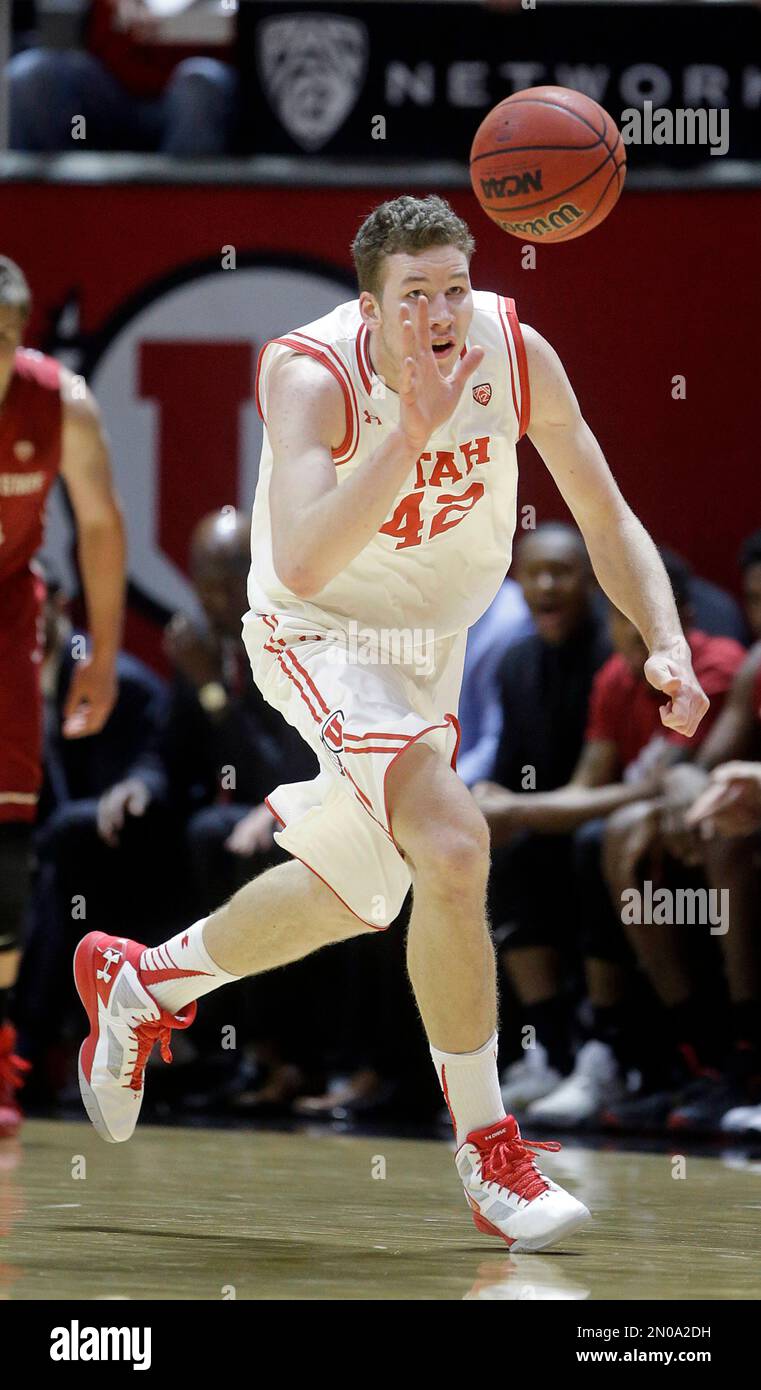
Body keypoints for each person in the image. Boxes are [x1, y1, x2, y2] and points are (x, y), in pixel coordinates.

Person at [73, 194, 707, 1253]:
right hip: (316, 630)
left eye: (455, 287)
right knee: (454, 846)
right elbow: (310, 556)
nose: (443, 313)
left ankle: (141, 982)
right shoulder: (308, 374)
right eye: (415, 295)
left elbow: (604, 514)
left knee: (362, 895)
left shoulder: (514, 349)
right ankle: (488, 1151)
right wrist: (408, 430)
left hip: (427, 649)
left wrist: (665, 639)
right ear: (368, 307)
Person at [0, 256, 125, 1136]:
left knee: (9, 855)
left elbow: (101, 527)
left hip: (10, 619)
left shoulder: (62, 405)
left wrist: (104, 655)